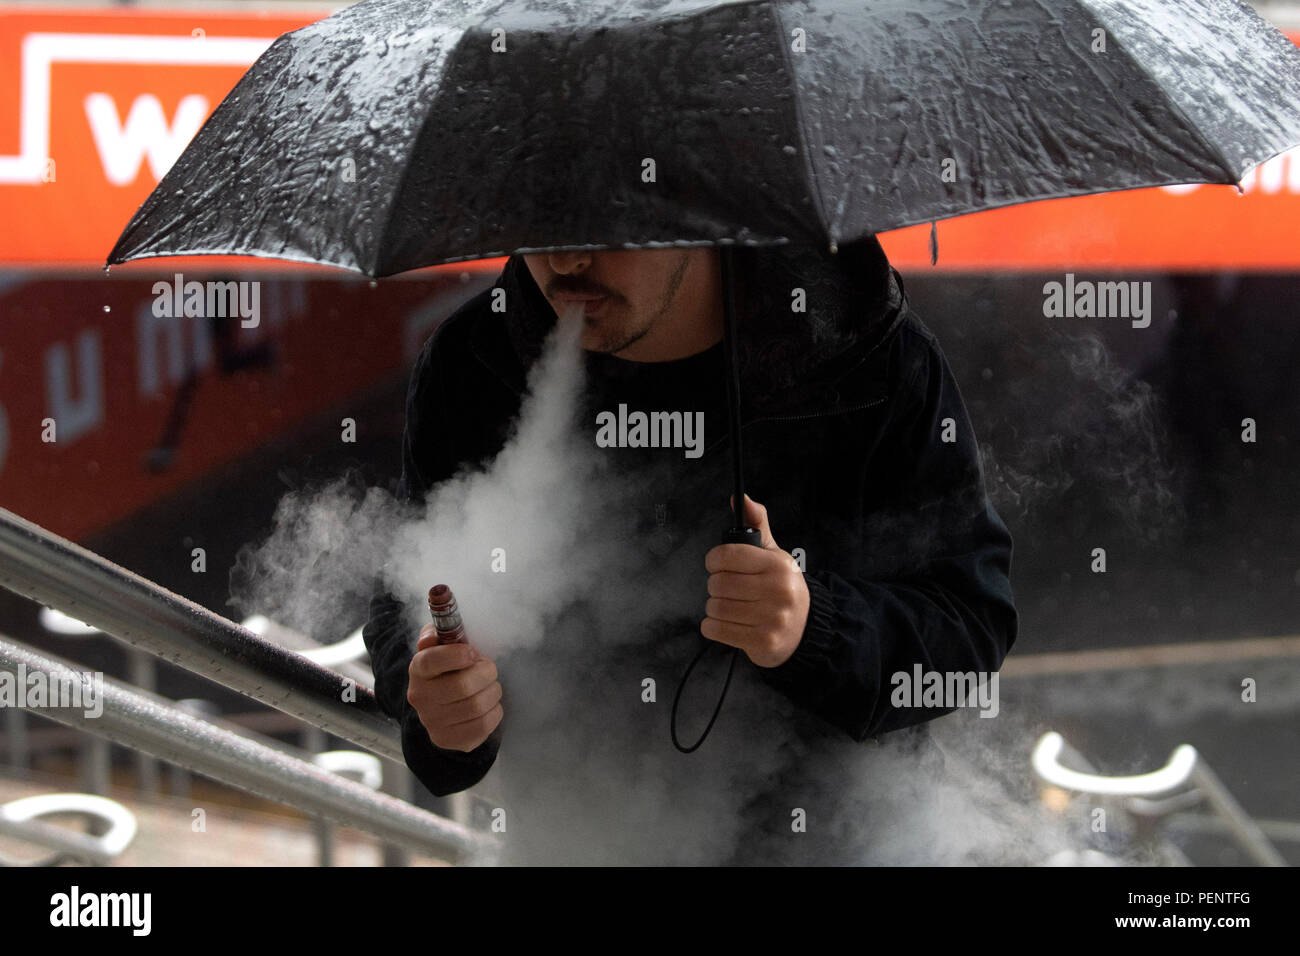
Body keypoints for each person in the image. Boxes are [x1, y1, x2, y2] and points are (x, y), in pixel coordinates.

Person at [362, 236, 1018, 863]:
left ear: (694, 209)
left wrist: (813, 624)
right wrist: (440, 714)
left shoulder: (865, 351)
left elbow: (972, 621)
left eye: (603, 226)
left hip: (846, 845)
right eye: (542, 225)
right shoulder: (475, 361)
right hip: (580, 844)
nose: (567, 259)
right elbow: (407, 592)